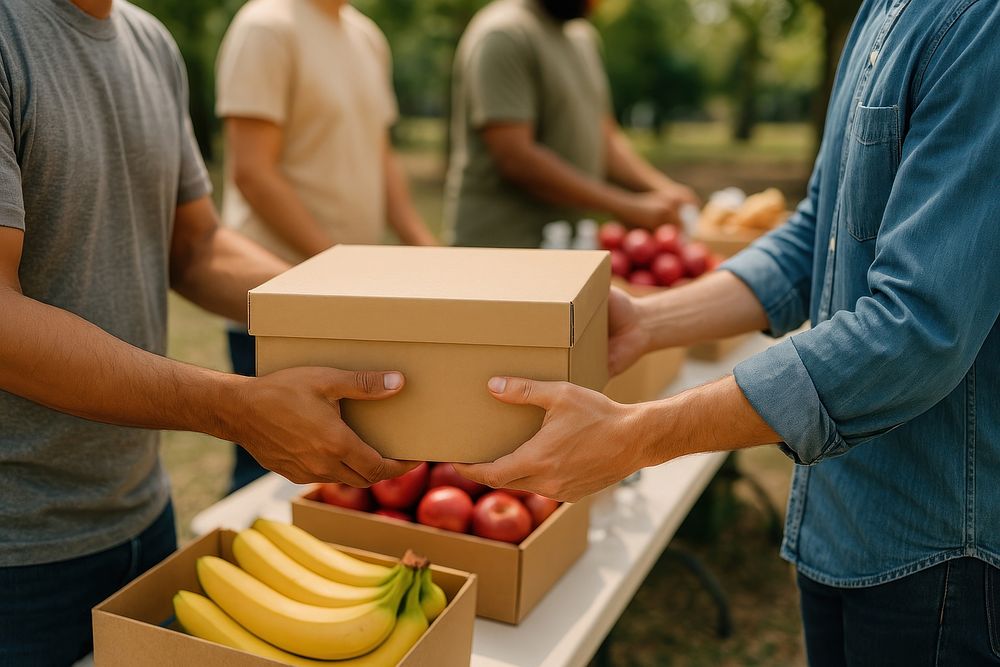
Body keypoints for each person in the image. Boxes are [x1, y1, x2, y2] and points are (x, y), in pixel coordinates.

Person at [458, 1, 1000, 664]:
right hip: (843, 514)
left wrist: (635, 436)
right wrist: (652, 320)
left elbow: (915, 330)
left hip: (939, 544)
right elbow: (818, 233)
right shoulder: (879, 13)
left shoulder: (980, 25)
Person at [0, 1, 414, 663]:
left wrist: (356, 315)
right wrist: (235, 407)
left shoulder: (149, 42)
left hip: (142, 512)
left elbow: (195, 246)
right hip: (17, 560)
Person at [215, 0, 437, 492]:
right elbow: (252, 171)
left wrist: (425, 246)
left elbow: (380, 157)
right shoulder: (266, 27)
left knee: (344, 471)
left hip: (352, 300)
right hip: (277, 300)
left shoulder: (367, 36)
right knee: (266, 477)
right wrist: (337, 269)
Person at [444, 0, 699, 249]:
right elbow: (516, 158)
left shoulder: (583, 37)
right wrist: (627, 206)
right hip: (500, 250)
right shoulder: (504, 35)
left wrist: (661, 188)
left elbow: (603, 137)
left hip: (566, 247)